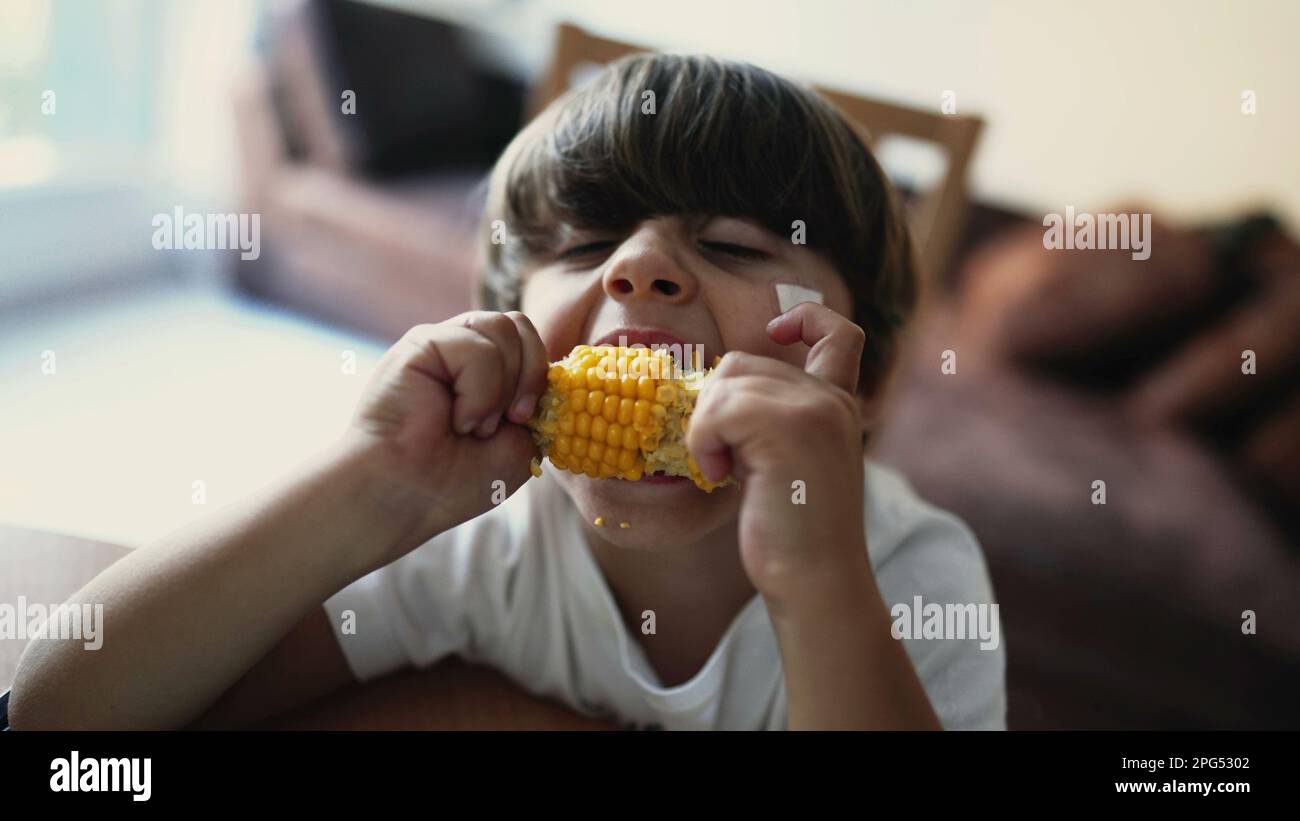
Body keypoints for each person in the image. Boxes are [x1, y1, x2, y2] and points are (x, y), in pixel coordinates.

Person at [11, 53, 1004, 731]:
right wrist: (369, 485)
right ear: (510, 329)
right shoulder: (487, 532)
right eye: (582, 245)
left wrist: (818, 581)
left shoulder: (910, 572)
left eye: (735, 246)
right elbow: (61, 713)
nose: (640, 269)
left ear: (860, 378)